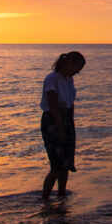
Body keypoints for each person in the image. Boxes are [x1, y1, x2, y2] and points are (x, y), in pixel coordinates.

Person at [40, 51, 85, 201]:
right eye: (77, 68)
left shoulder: (69, 80)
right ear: (69, 64)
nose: (78, 72)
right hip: (53, 120)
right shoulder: (52, 79)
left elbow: (70, 104)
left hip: (66, 119)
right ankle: (45, 199)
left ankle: (61, 195)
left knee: (66, 163)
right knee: (56, 164)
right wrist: (60, 128)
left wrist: (70, 125)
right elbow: (53, 104)